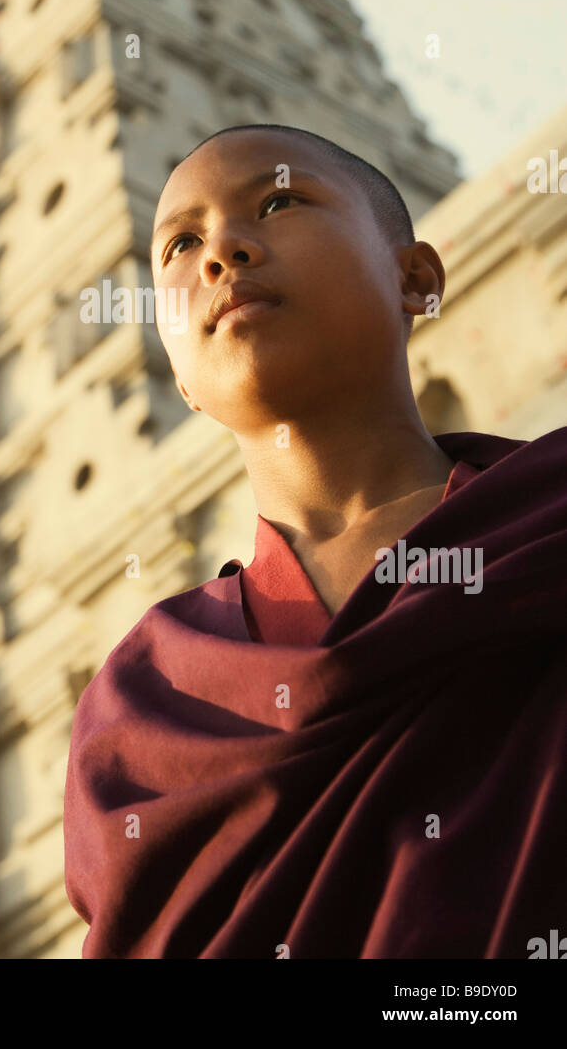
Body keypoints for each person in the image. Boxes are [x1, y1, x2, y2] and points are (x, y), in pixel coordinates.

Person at [63, 123, 567, 959]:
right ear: (179, 377)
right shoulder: (139, 703)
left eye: (280, 199)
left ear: (417, 280)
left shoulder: (545, 522)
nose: (222, 254)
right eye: (181, 245)